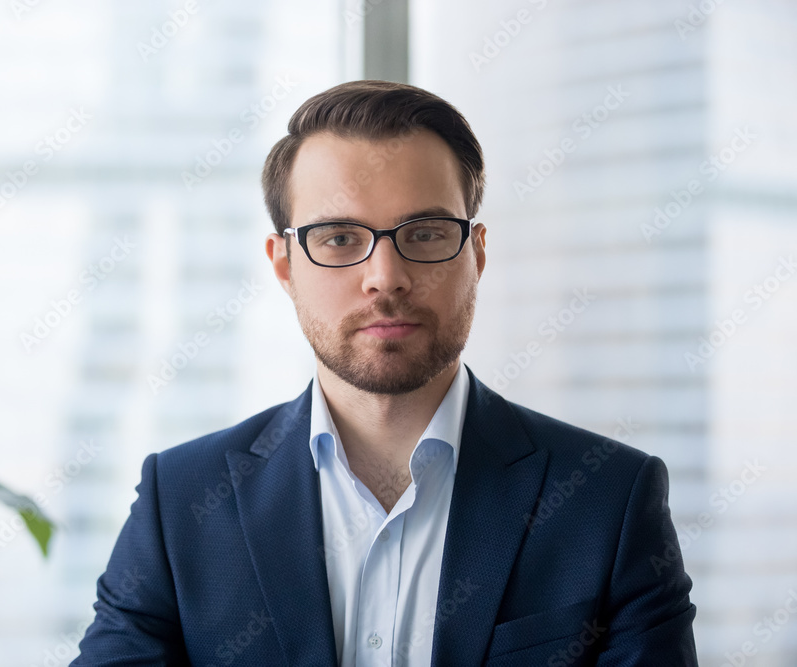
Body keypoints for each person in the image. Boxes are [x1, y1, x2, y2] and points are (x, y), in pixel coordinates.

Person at [72, 80, 697, 666]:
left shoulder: (608, 500)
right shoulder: (180, 500)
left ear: (476, 254)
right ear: (284, 264)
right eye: (340, 238)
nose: (386, 276)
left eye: (424, 233)